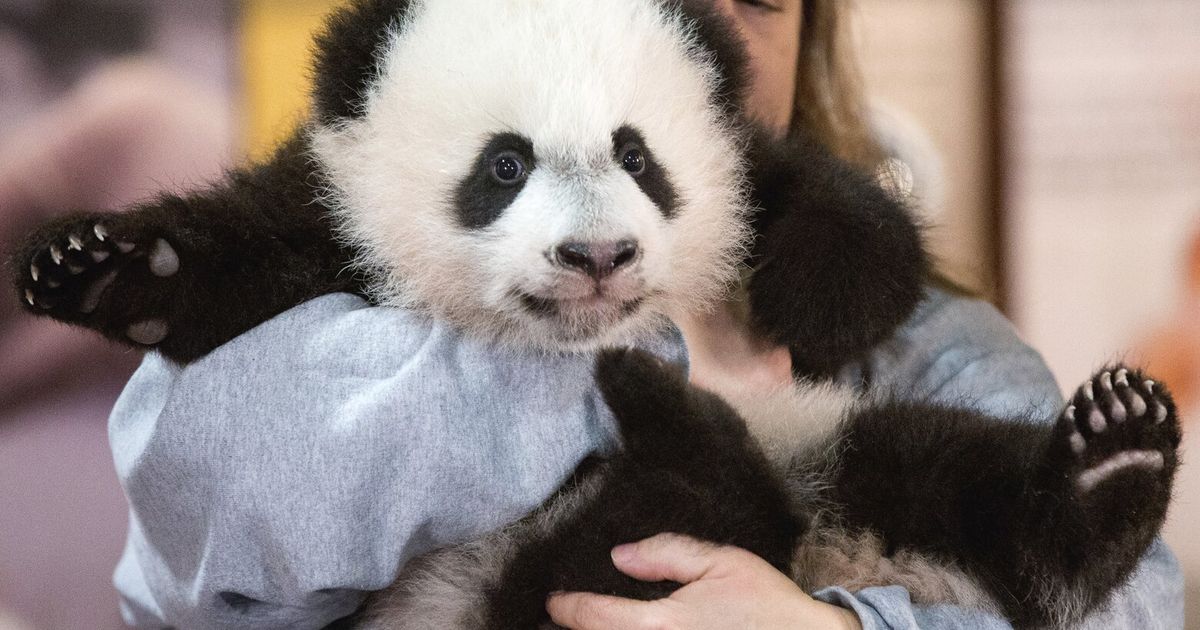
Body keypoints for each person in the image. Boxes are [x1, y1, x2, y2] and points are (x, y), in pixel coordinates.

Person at [106, 0, 1184, 628]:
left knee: (908, 464)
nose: (709, 22)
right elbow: (196, 508)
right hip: (517, 587)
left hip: (773, 503)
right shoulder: (382, 221)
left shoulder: (931, 346)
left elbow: (1135, 606)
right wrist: (623, 381)